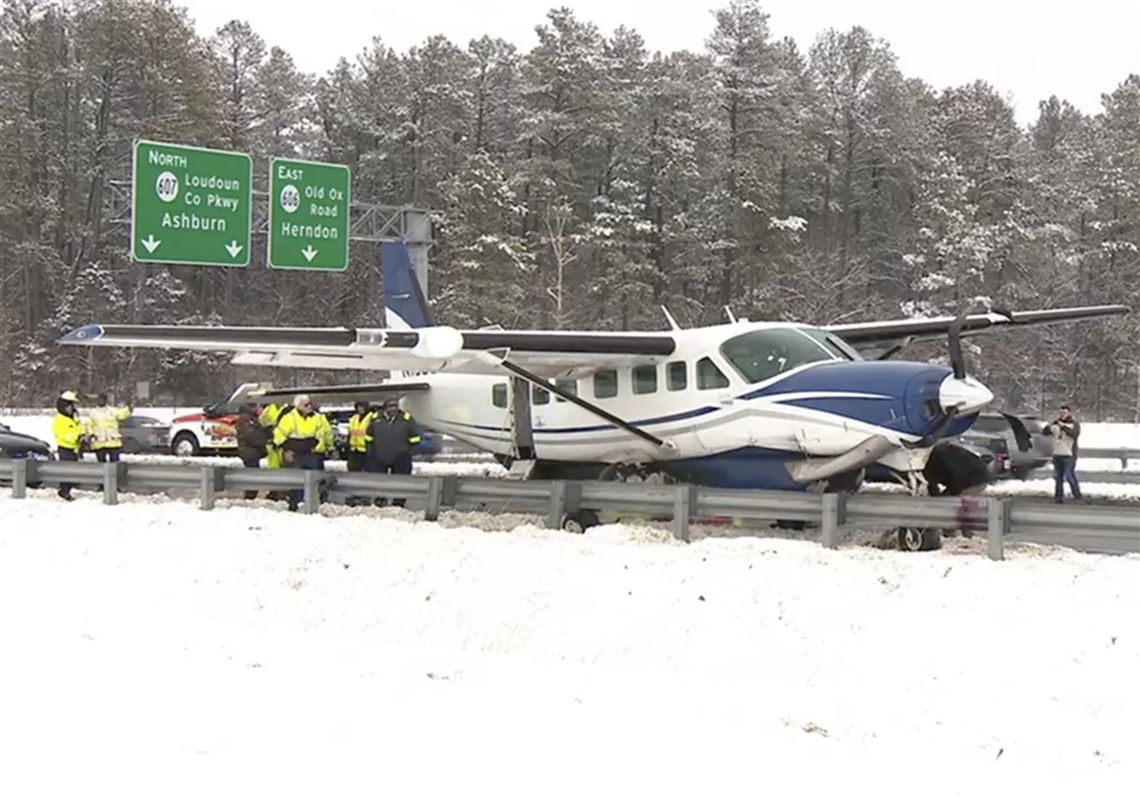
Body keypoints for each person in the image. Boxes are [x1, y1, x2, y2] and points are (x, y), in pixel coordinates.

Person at [273, 394, 335, 511]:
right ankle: (294, 504)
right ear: (298, 406)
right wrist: (286, 450)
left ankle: (314, 505)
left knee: (315, 482)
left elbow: (326, 433)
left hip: (313, 454)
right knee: (296, 483)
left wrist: (328, 448)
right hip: (296, 454)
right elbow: (278, 435)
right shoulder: (289, 418)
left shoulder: (318, 418)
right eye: (306, 405)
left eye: (310, 404)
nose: (309, 406)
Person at [367, 397, 422, 507]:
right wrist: (370, 453)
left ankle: (399, 504)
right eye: (390, 406)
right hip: (379, 456)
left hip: (401, 457)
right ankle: (380, 501)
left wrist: (409, 453)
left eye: (395, 406)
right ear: (385, 408)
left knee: (401, 482)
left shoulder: (407, 419)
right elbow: (369, 438)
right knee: (379, 481)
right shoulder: (375, 418)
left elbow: (415, 439)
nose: (393, 409)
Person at [51, 390, 86, 501]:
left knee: (72, 470)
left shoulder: (72, 418)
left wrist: (83, 435)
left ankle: (68, 488)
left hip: (73, 449)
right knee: (67, 471)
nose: (72, 408)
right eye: (70, 405)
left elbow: (79, 428)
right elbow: (67, 435)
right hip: (65, 449)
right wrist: (78, 437)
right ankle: (64, 491)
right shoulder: (60, 420)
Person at [1044, 404, 1082, 503]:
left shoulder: (1074, 424)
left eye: (1064, 413)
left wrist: (1064, 427)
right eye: (1061, 413)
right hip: (1057, 453)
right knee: (1058, 477)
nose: (1062, 415)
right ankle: (1058, 496)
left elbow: (1074, 434)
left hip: (1069, 455)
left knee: (1069, 475)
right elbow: (1045, 432)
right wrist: (1051, 425)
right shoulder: (1055, 424)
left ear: (1068, 413)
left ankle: (1077, 495)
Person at [345, 400, 376, 506]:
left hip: (366, 451)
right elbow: (350, 433)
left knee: (366, 475)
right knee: (353, 474)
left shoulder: (372, 418)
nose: (360, 409)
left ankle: (365, 496)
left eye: (362, 407)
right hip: (354, 450)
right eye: (358, 407)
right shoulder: (354, 418)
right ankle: (354, 495)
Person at [85, 393, 131, 463]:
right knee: (101, 463)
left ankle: (115, 474)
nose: (101, 401)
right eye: (99, 400)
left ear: (106, 401)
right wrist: (91, 434)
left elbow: (122, 415)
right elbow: (89, 425)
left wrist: (129, 408)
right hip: (99, 443)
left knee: (115, 463)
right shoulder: (93, 412)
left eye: (103, 399)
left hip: (113, 442)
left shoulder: (113, 411)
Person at [235, 404, 268, 500]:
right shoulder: (246, 420)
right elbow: (251, 437)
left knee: (253, 475)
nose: (257, 409)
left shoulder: (250, 419)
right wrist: (263, 440)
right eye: (255, 407)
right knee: (253, 476)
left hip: (252, 452)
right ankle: (249, 497)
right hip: (250, 453)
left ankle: (250, 496)